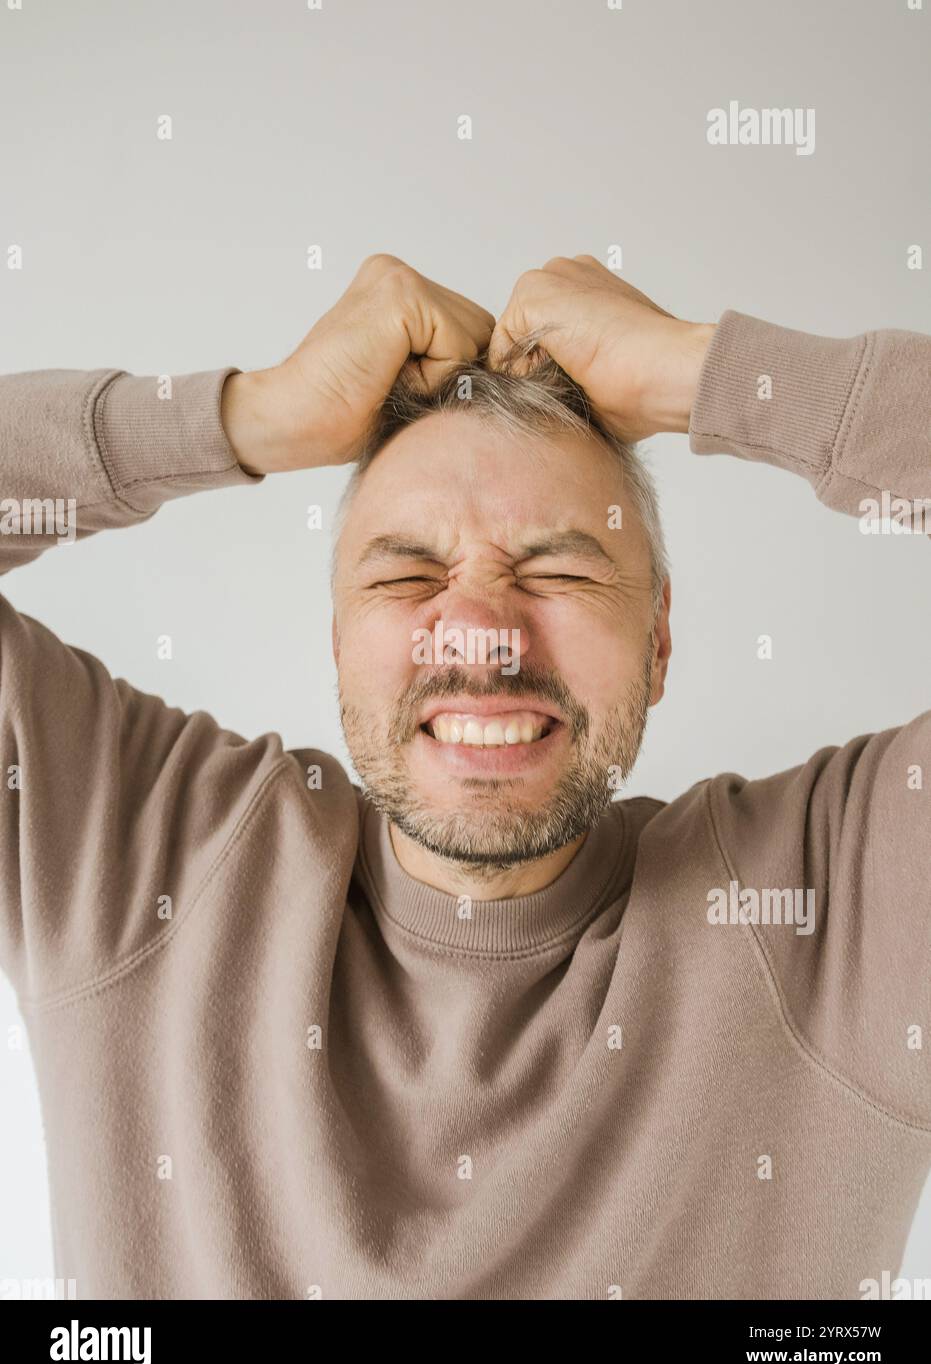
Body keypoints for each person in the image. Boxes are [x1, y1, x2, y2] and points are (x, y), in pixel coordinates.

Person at [0, 253, 928, 1300]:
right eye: (406, 573)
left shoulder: (838, 912)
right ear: (338, 635)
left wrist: (702, 372)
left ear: (659, 636)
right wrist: (250, 415)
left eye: (561, 570)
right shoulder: (134, 854)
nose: (481, 634)